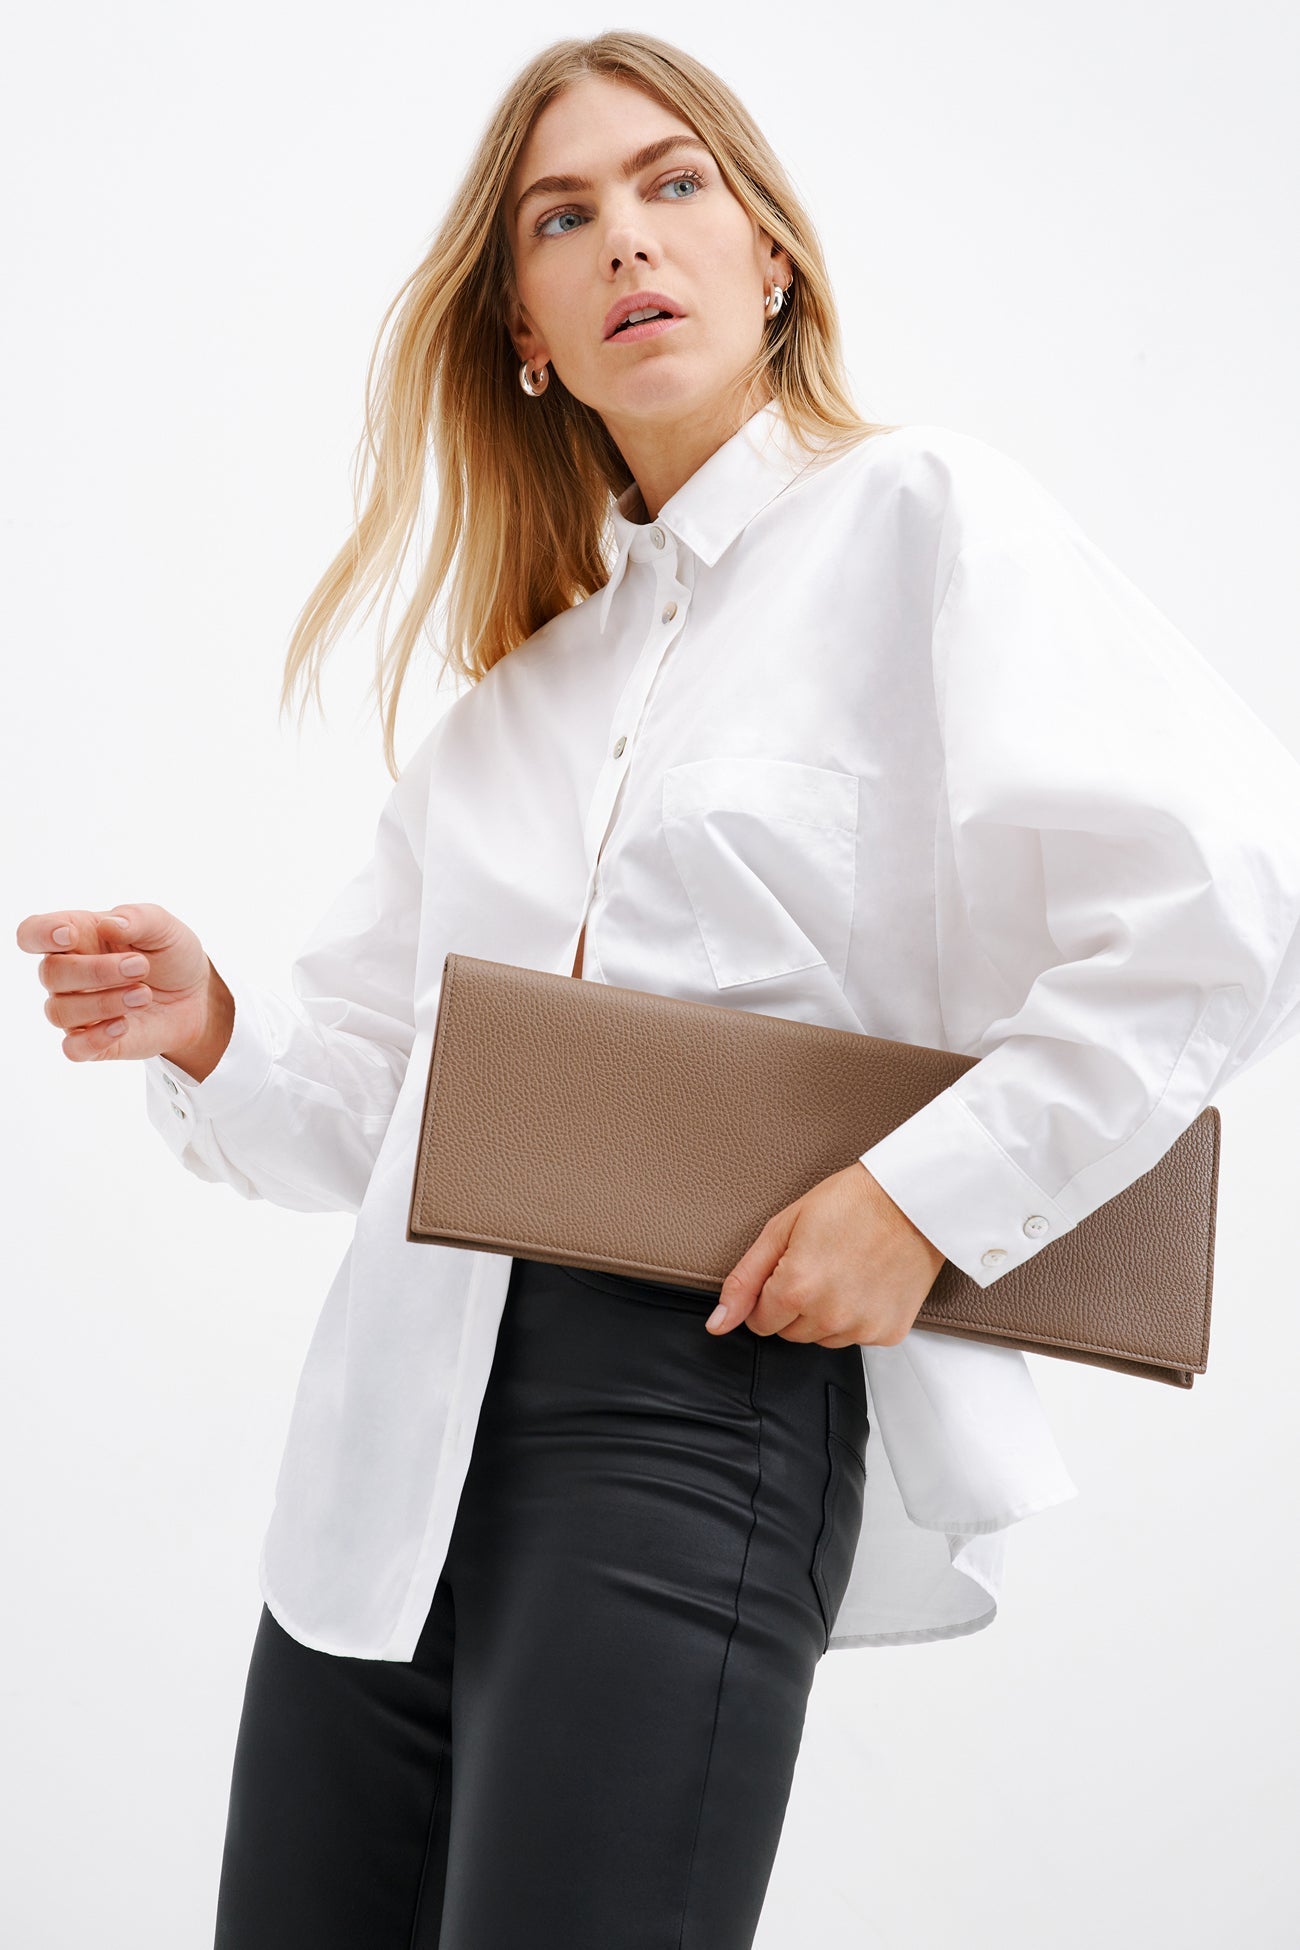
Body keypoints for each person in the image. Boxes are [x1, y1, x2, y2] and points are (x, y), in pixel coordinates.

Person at [18, 30, 1300, 1950]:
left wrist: (921, 1203)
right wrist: (208, 1026)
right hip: (384, 1453)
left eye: (674, 183)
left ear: (769, 254)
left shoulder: (922, 522)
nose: (627, 236)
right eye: (564, 217)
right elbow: (374, 1113)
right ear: (525, 328)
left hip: (693, 1400)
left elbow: (1227, 900)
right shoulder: (514, 706)